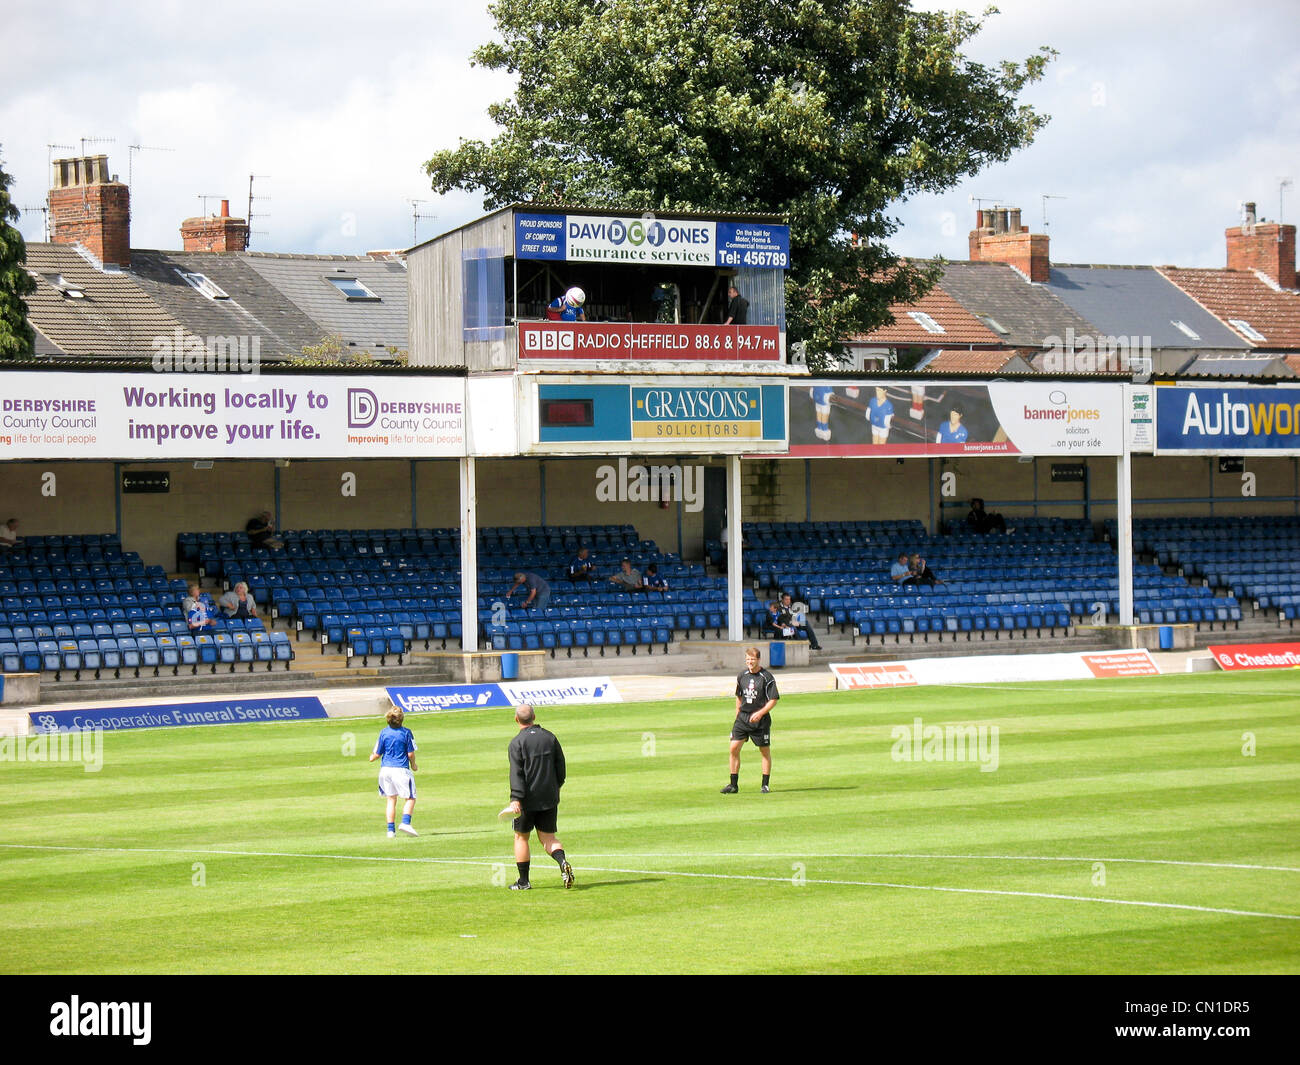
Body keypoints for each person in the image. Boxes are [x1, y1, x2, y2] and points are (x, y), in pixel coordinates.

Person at [505, 704, 573, 890]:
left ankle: (524, 881)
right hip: (549, 797)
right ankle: (562, 862)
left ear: (516, 719)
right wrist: (556, 786)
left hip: (526, 800)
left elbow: (516, 773)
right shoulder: (550, 737)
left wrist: (515, 798)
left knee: (521, 838)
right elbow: (561, 767)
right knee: (549, 838)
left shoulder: (516, 743)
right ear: (534, 716)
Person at [722, 646, 778, 794]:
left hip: (760, 721)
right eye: (748, 659)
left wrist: (760, 713)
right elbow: (739, 696)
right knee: (733, 748)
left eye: (752, 659)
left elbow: (773, 699)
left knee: (764, 751)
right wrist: (737, 715)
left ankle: (765, 784)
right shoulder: (742, 676)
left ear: (758, 660)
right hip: (743, 719)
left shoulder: (767, 677)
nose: (750, 662)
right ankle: (733, 785)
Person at [369, 707, 418, 837]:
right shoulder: (406, 732)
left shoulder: (383, 733)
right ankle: (405, 823)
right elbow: (410, 753)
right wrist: (413, 765)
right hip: (400, 769)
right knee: (411, 798)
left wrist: (372, 758)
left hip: (385, 770)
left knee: (391, 799)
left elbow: (376, 754)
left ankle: (390, 831)